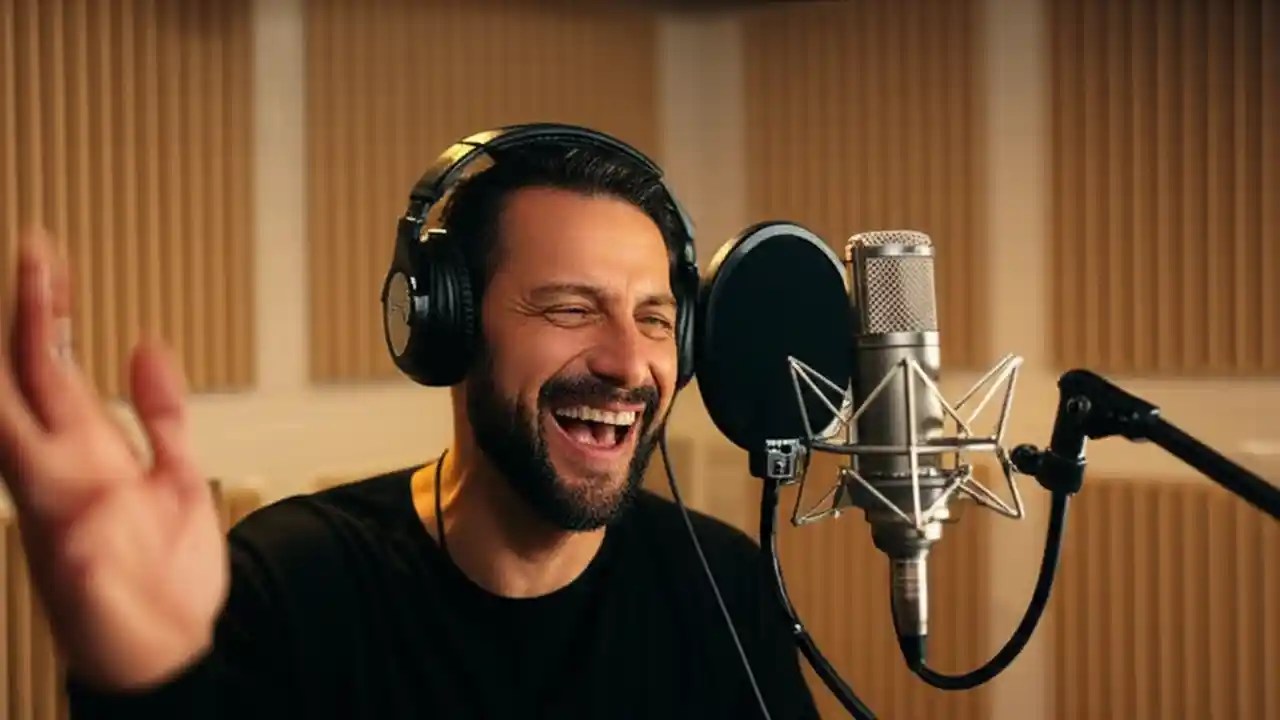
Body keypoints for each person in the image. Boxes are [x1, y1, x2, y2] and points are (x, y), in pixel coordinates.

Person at [0, 129, 819, 718]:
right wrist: (143, 679)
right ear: (446, 328)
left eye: (652, 319)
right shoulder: (292, 584)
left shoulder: (720, 585)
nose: (626, 362)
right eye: (571, 308)